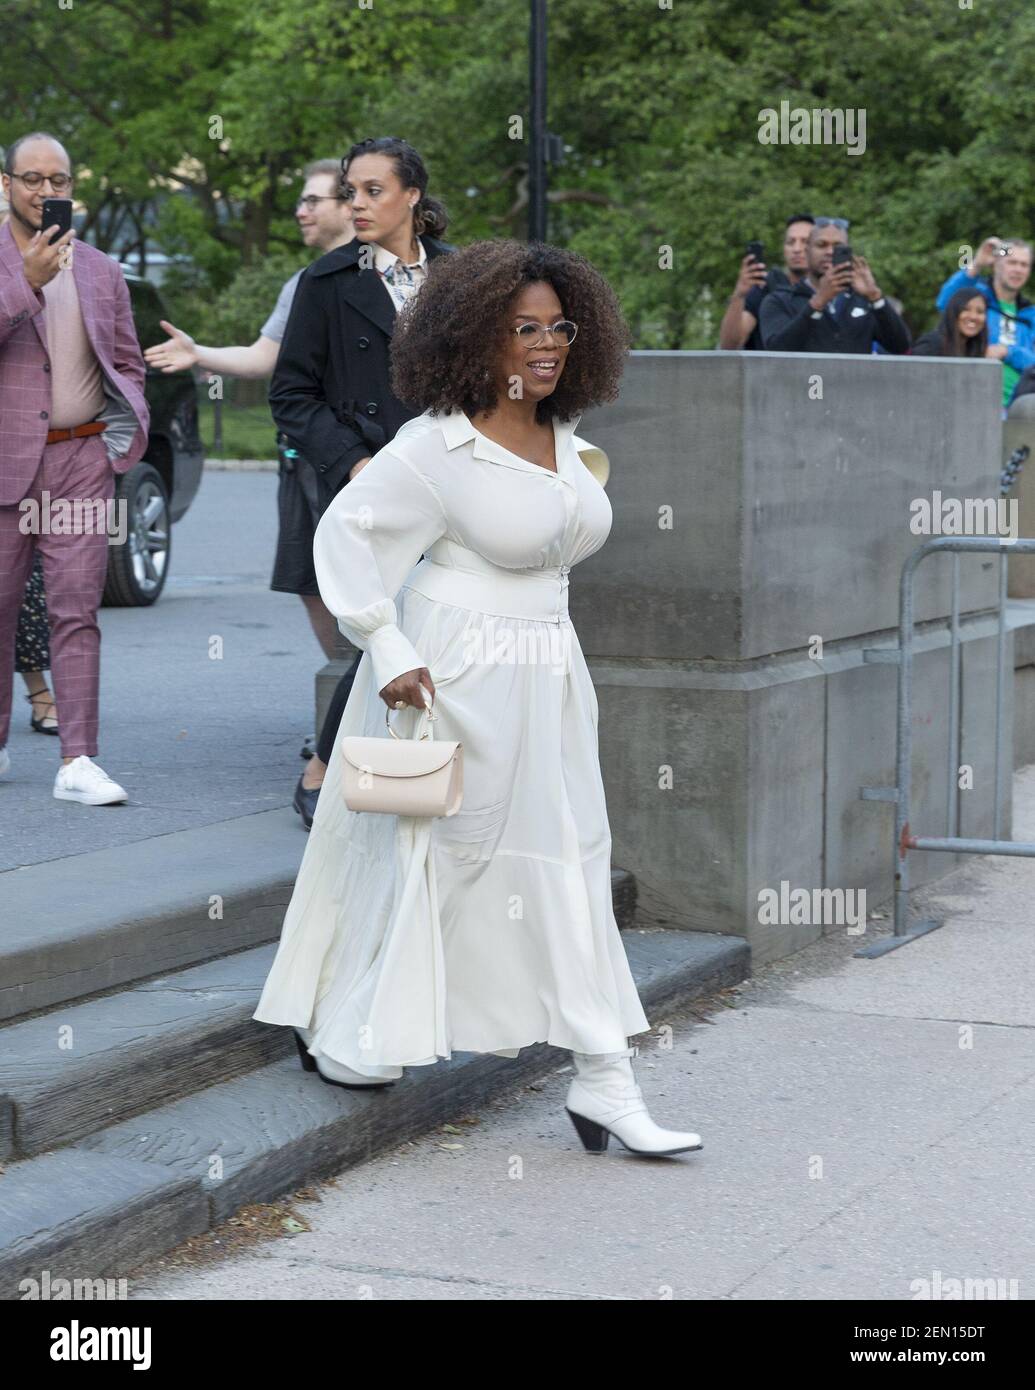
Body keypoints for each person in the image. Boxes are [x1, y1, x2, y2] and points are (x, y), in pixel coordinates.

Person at [252, 238, 704, 1159]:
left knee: (571, 864)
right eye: (521, 329)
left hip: (547, 673)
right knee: (439, 861)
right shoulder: (433, 447)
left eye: (558, 326)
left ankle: (604, 1079)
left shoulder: (564, 435)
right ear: (473, 338)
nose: (545, 345)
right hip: (450, 678)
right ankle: (355, 1028)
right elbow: (347, 536)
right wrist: (384, 646)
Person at [269, 137, 452, 829]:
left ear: (411, 196)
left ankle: (381, 766)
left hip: (452, 476)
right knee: (394, 621)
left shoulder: (461, 279)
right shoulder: (326, 282)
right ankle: (327, 762)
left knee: (431, 619)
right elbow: (290, 396)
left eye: (374, 190)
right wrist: (354, 462)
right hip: (371, 479)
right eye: (351, 190)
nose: (359, 203)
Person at [144, 160, 354, 664]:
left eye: (312, 201)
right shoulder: (303, 283)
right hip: (305, 459)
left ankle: (376, 704)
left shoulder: (389, 275)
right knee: (311, 579)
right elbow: (263, 357)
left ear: (349, 206)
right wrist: (200, 354)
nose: (300, 212)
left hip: (363, 458)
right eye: (299, 201)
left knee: (371, 583)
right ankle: (342, 697)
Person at [0, 132, 149, 802]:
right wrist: (25, 284)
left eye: (57, 180)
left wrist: (117, 442)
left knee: (76, 611)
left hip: (81, 459)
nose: (45, 191)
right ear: (6, 185)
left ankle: (78, 761)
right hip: (5, 462)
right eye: (31, 178)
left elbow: (126, 361)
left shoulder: (100, 270)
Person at [760, 218, 910, 354]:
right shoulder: (780, 300)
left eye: (838, 247)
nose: (830, 252)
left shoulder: (863, 300)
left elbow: (901, 347)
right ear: (807, 251)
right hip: (808, 384)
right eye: (821, 245)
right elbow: (777, 352)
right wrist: (817, 303)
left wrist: (875, 297)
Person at [935, 236, 1035, 407]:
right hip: (971, 397)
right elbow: (944, 302)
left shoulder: (1030, 315)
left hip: (1019, 408)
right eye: (1012, 262)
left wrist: (1007, 352)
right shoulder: (976, 300)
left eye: (1024, 264)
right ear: (996, 264)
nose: (1018, 269)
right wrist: (976, 265)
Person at [717, 213, 814, 350]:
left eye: (805, 241)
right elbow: (730, 345)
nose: (797, 249)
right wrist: (739, 294)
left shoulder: (832, 291)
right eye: (790, 242)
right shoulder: (764, 287)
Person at [910, 287, 988, 358]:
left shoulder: (974, 348)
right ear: (954, 312)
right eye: (966, 309)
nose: (973, 316)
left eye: (980, 311)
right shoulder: (932, 344)